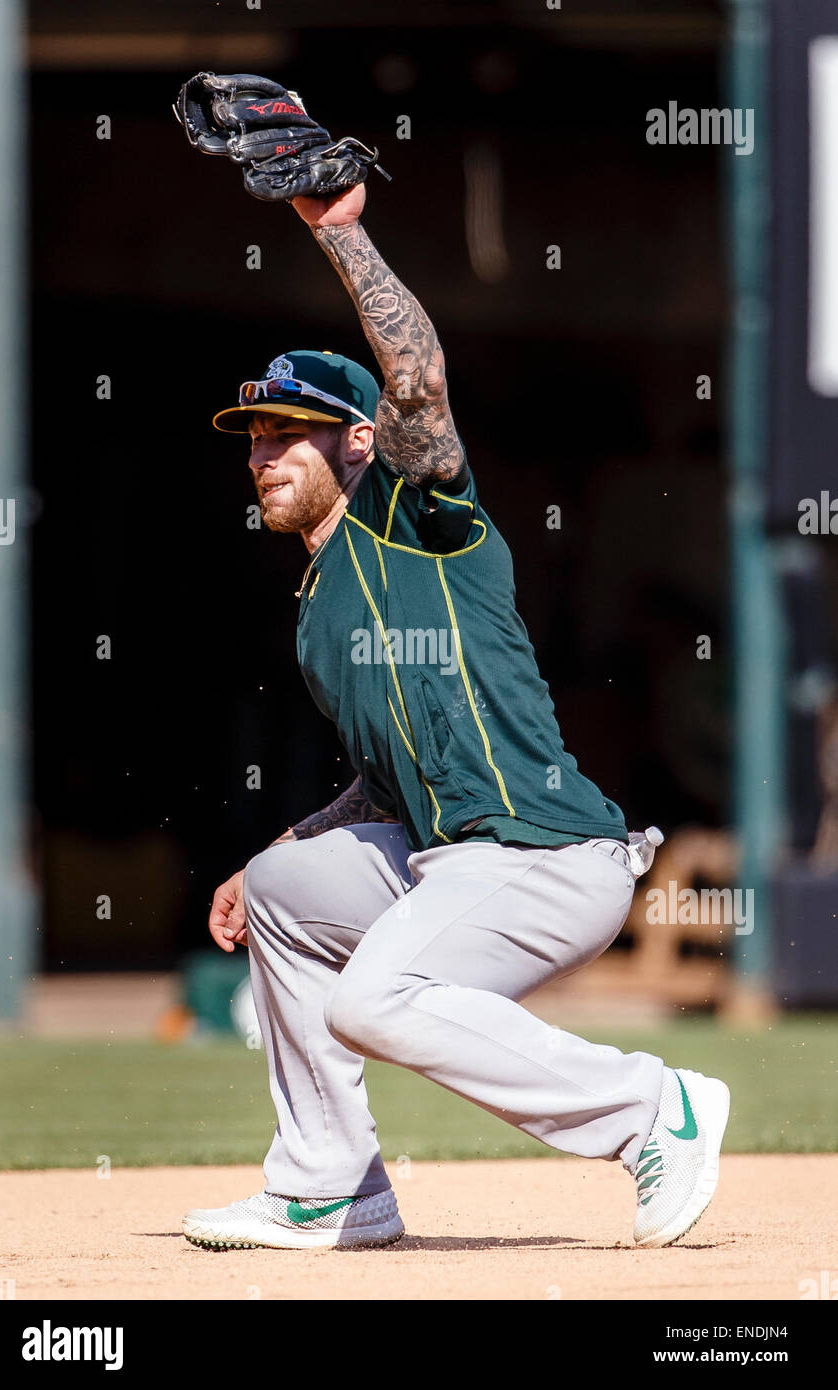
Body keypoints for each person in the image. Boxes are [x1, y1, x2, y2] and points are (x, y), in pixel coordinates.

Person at [182, 180, 730, 1252]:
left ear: (350, 444)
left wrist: (339, 231)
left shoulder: (412, 518)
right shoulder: (315, 612)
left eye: (284, 436)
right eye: (251, 439)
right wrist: (277, 849)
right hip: (451, 857)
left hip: (545, 850)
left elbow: (417, 380)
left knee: (372, 1003)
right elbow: (381, 786)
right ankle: (329, 1185)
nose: (260, 458)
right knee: (290, 890)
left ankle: (646, 1108)